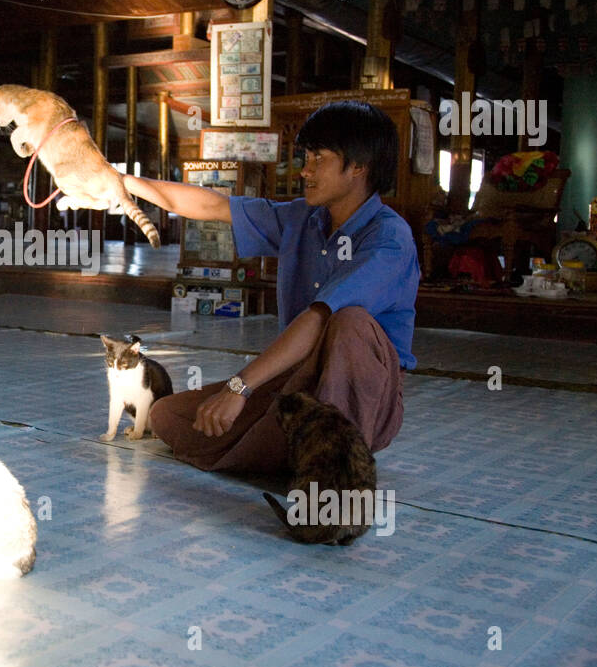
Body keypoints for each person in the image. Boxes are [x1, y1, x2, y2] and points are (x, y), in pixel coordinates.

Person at [123, 100, 419, 474]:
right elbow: (215, 205)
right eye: (305, 158)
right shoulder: (302, 218)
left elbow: (319, 316)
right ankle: (295, 453)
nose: (304, 171)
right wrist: (122, 183)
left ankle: (336, 469)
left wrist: (239, 388)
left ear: (359, 166)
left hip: (365, 394)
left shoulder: (389, 237)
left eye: (318, 159)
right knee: (169, 416)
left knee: (349, 322)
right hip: (298, 383)